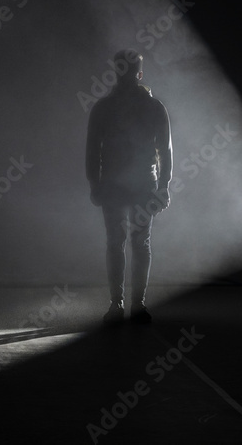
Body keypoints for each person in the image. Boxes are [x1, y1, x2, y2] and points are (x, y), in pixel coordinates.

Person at [85, 50, 172, 324]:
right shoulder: (154, 106)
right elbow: (166, 151)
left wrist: (95, 184)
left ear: (118, 72)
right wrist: (164, 185)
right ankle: (135, 304)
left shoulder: (103, 107)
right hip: (142, 184)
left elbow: (92, 152)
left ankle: (119, 304)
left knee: (118, 242)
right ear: (140, 74)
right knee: (138, 243)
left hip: (117, 184)